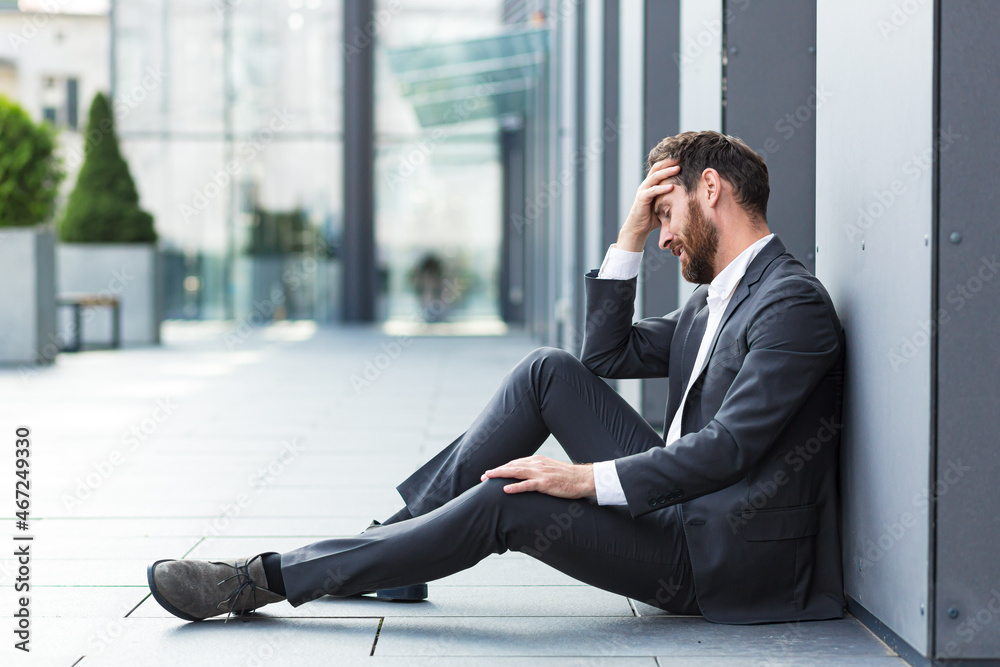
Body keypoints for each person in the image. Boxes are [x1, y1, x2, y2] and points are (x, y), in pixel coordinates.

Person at [147, 130, 846, 624]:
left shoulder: (791, 305)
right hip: (680, 507)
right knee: (546, 372)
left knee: (509, 498)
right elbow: (604, 356)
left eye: (665, 215)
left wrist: (579, 478)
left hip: (719, 557)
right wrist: (628, 234)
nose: (665, 237)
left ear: (711, 189)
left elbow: (729, 449)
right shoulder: (716, 300)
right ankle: (395, 543)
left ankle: (266, 578)